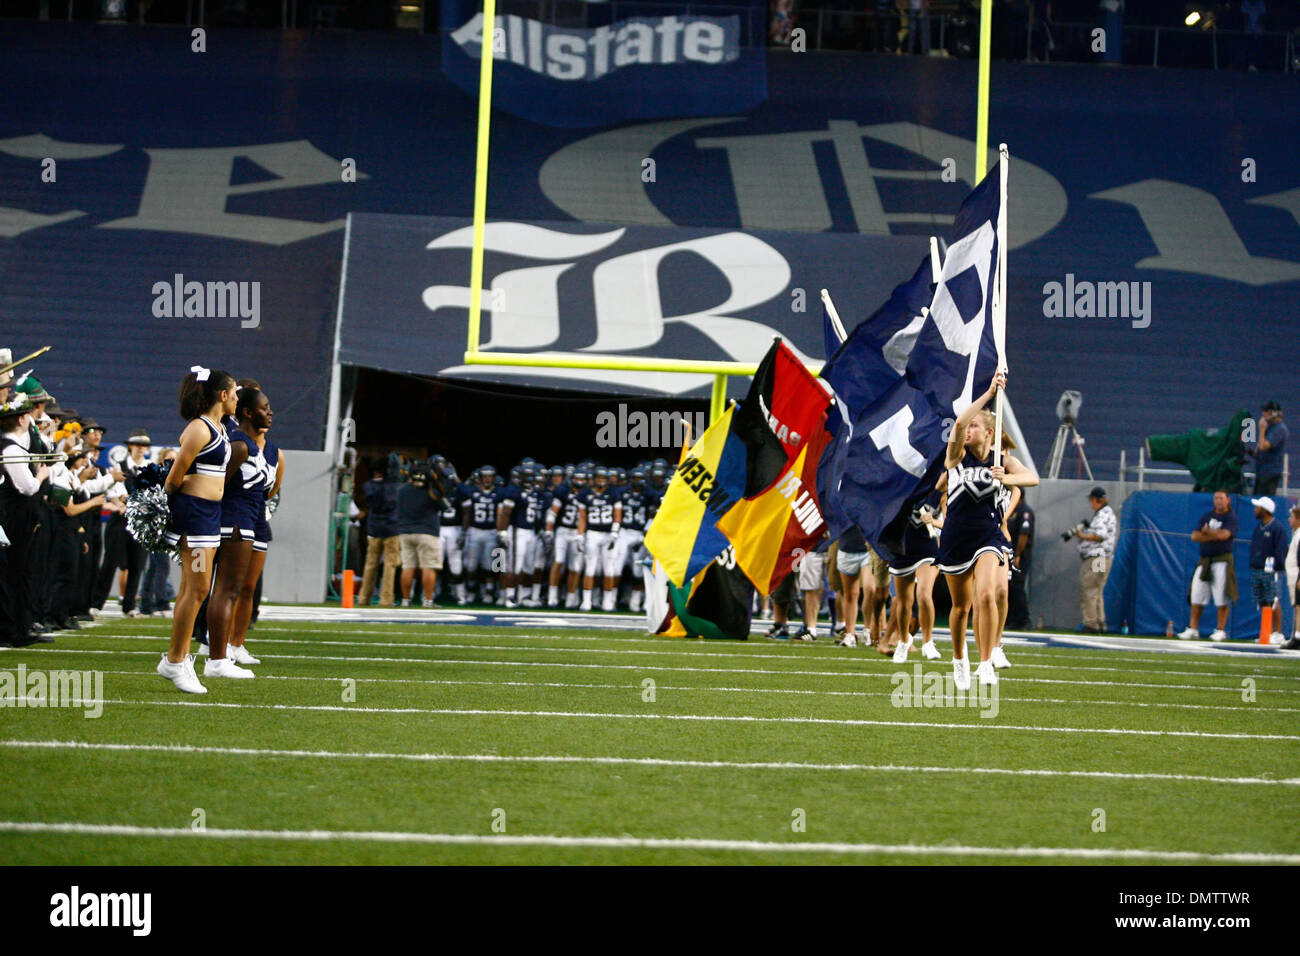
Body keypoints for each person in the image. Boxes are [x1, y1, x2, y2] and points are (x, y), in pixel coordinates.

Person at [938, 371, 1037, 688]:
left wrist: (1004, 478)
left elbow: (1031, 478)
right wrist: (990, 392)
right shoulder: (957, 456)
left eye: (977, 426)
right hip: (956, 536)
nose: (970, 430)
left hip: (989, 535)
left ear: (990, 432)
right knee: (959, 608)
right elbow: (957, 425)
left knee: (987, 595)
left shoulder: (1003, 461)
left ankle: (985, 662)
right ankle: (959, 659)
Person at [157, 366, 240, 693]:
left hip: (210, 514)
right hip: (193, 516)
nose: (236, 398)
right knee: (196, 590)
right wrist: (166, 507)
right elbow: (174, 477)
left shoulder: (219, 427)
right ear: (221, 395)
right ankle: (176, 661)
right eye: (233, 393)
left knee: (194, 590)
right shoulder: (198, 428)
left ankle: (176, 659)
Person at [0, 394, 53, 647]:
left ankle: (21, 625)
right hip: (16, 517)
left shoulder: (14, 447)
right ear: (21, 419)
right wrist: (41, 474)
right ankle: (16, 629)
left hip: (19, 516)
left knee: (22, 572)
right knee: (18, 572)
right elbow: (27, 487)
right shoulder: (10, 449)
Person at [1176, 489, 1237, 642]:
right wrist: (1214, 535)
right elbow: (1195, 536)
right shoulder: (1207, 516)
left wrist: (1208, 533)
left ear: (1228, 500)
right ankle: (1193, 628)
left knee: (1221, 596)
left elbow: (1225, 535)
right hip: (1205, 561)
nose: (1218, 501)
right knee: (1196, 594)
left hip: (1222, 560)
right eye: (1216, 498)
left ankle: (1220, 629)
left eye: (1221, 498)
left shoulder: (1231, 517)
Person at [396, 459, 444, 609]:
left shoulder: (402, 490)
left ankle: (405, 600)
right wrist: (434, 481)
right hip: (426, 531)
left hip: (405, 532)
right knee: (428, 567)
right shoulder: (430, 491)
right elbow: (441, 500)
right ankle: (428, 600)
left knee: (408, 566)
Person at [576, 466, 622, 611]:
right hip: (592, 533)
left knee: (609, 569)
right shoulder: (585, 494)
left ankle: (607, 602)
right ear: (594, 479)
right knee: (590, 569)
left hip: (608, 533)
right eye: (599, 478)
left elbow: (617, 514)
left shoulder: (614, 493)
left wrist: (615, 532)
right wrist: (580, 535)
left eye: (604, 478)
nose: (601, 481)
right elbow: (582, 517)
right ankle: (587, 601)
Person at [358, 458, 400, 607]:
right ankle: (386, 599)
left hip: (374, 527)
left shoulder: (368, 486)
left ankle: (364, 597)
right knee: (390, 565)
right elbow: (392, 502)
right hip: (391, 527)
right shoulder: (393, 486)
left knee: (370, 564)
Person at [1074, 485, 1116, 633]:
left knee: (1090, 587)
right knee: (1097, 589)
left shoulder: (1102, 514)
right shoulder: (1108, 513)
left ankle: (1091, 624)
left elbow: (1100, 535)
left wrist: (1082, 536)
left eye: (1091, 500)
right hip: (1103, 558)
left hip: (1097, 557)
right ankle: (1100, 622)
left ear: (1096, 500)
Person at [1247, 496, 1289, 644]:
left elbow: (1281, 550)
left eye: (1257, 507)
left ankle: (1278, 632)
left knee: (1274, 600)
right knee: (1263, 601)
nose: (1255, 510)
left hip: (1272, 571)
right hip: (1258, 569)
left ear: (1265, 510)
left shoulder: (1277, 528)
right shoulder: (1258, 529)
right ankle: (1267, 631)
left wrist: (1276, 566)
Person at [1005, 491, 1034, 630]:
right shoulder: (1012, 511)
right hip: (1010, 555)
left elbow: (1024, 534)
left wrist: (1017, 554)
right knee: (1010, 587)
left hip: (1019, 557)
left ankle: (1024, 620)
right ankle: (1013, 619)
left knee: (1017, 587)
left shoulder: (1025, 512)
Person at [1253, 401, 1287, 496]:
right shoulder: (1270, 427)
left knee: (1264, 501)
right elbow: (1260, 448)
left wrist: (1262, 429)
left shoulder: (1279, 429)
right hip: (1261, 471)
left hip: (1269, 473)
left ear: (1274, 413)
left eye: (1266, 411)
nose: (1263, 414)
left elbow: (1264, 447)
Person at [1284, 504, 1300, 649]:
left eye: (1292, 517)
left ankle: (1296, 637)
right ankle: (1295, 636)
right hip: (1294, 576)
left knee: (1298, 607)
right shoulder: (1296, 534)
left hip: (1297, 576)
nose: (1289, 520)